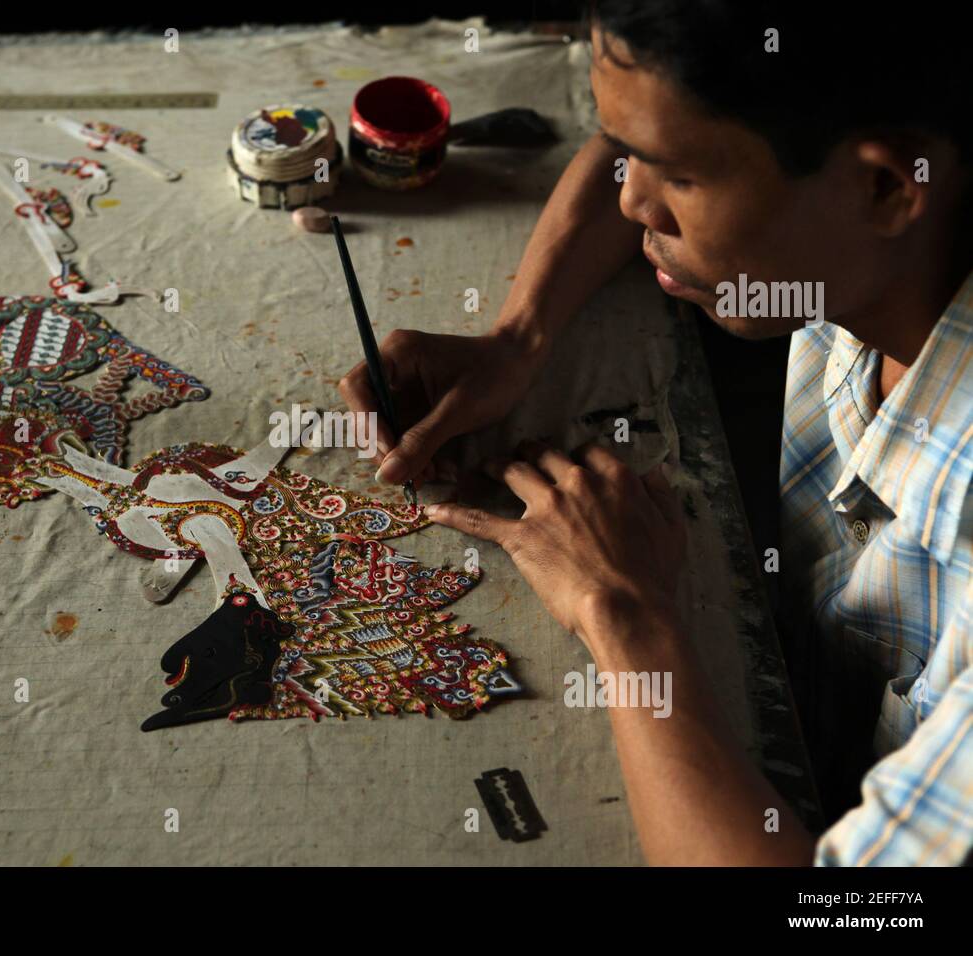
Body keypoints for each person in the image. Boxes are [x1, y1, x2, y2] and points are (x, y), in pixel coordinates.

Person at [338, 0, 973, 865]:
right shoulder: (874, 237)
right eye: (632, 156)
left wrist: (628, 620)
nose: (631, 197)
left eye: (675, 178)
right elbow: (652, 129)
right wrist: (518, 339)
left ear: (886, 189)